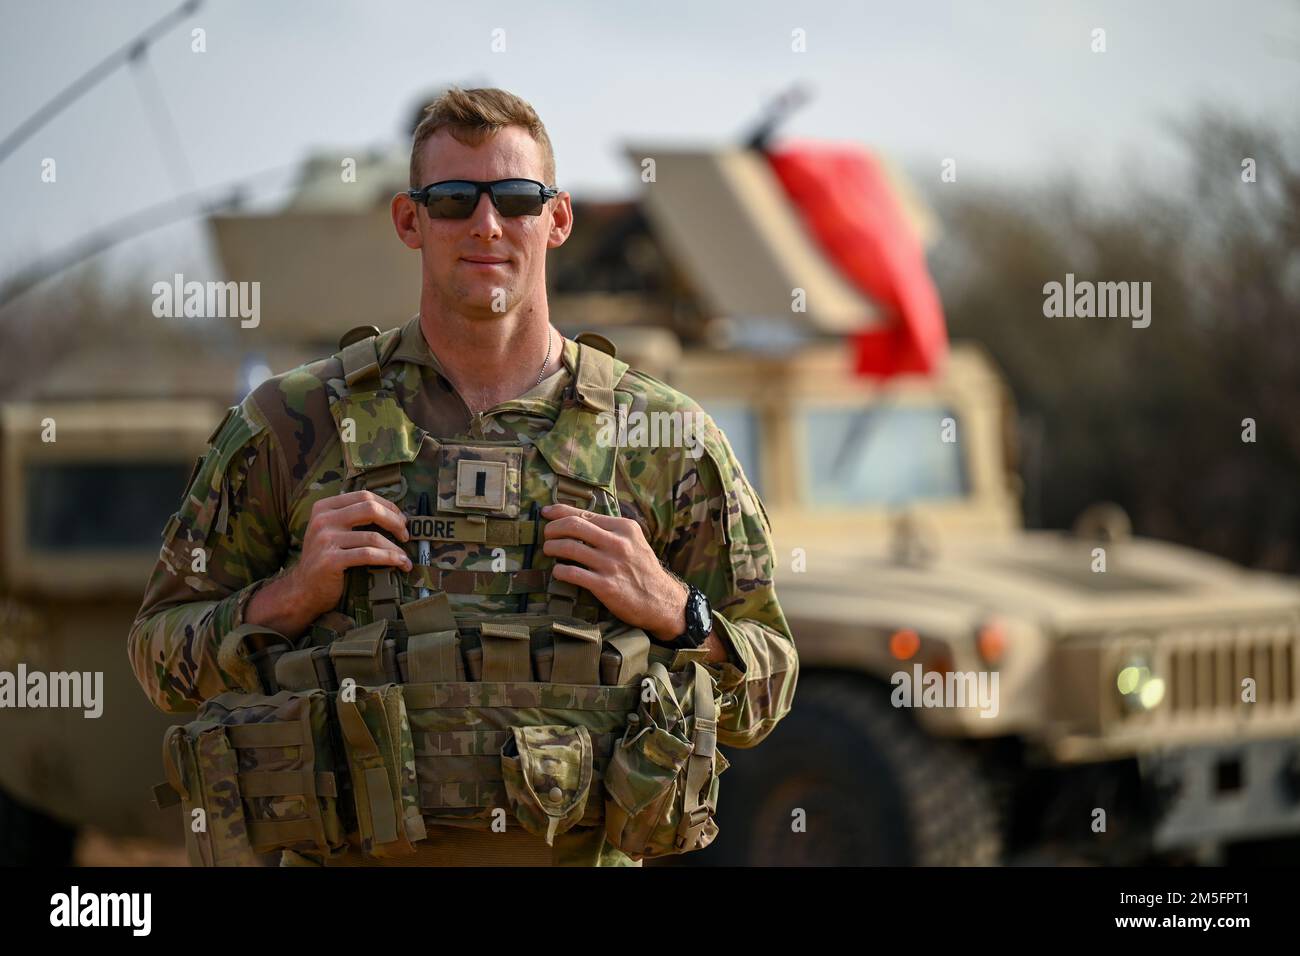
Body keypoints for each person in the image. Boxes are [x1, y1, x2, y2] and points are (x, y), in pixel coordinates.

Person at [128, 87, 798, 866]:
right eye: (452, 201)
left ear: (558, 219)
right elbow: (157, 656)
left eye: (516, 198)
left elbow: (769, 683)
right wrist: (287, 597)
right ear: (410, 221)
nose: (486, 225)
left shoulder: (664, 438)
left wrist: (679, 611)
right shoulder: (292, 424)